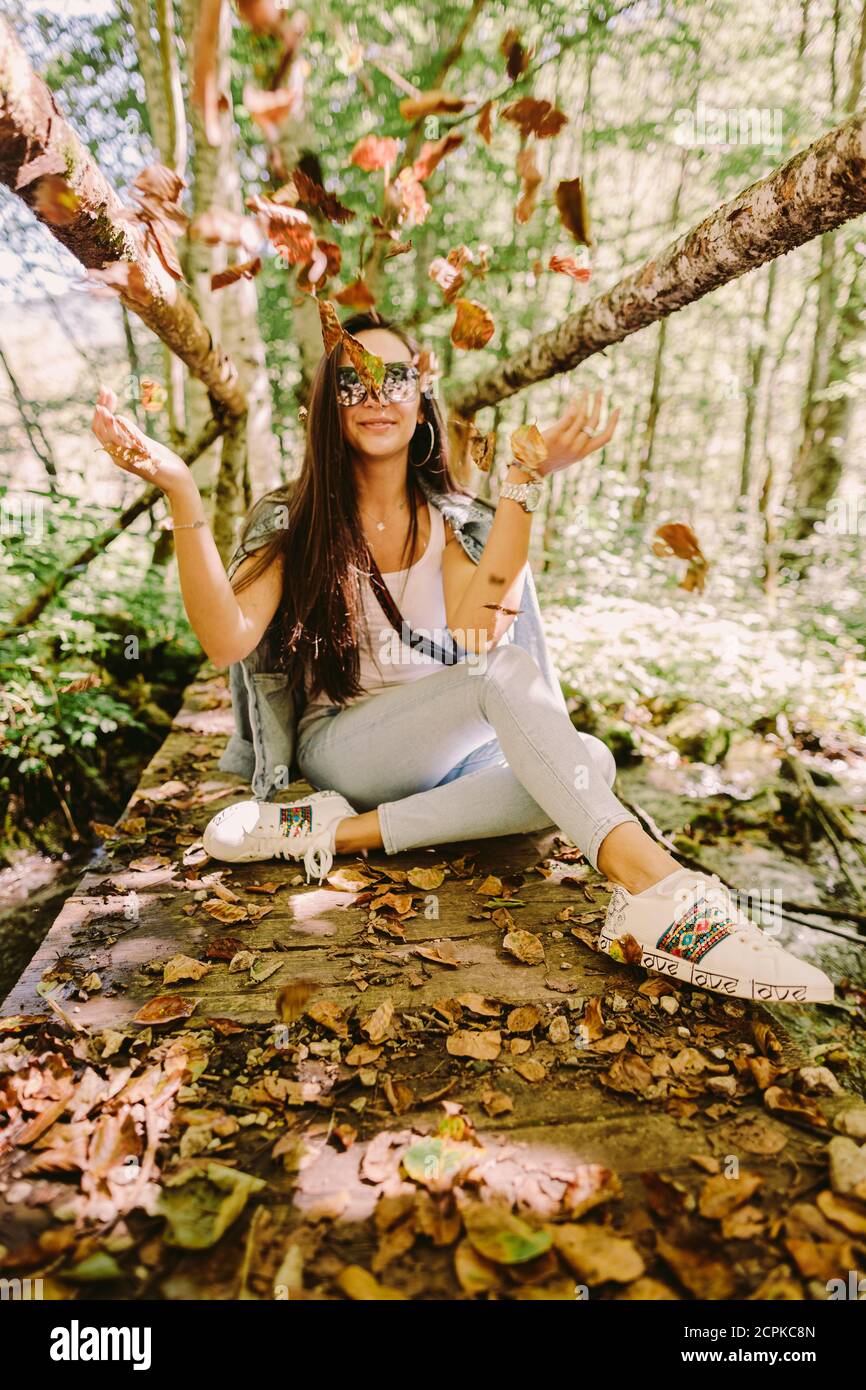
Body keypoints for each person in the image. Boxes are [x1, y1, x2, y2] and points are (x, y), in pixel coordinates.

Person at [91, 312, 833, 1006]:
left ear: (423, 398)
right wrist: (179, 489)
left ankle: (329, 832)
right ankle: (663, 890)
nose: (375, 396)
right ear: (328, 405)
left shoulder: (453, 520)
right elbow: (227, 640)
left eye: (395, 380)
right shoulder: (294, 518)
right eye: (353, 381)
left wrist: (523, 486)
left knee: (592, 763)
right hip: (347, 745)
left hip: (451, 748)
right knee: (519, 698)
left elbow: (481, 632)